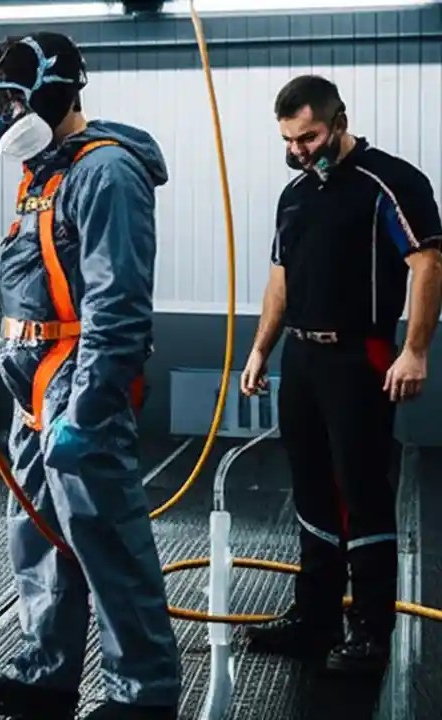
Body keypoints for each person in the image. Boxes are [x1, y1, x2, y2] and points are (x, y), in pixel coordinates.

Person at [0, 32, 181, 720]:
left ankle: (142, 697)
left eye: (11, 100)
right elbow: (30, 273)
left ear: (55, 95)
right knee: (40, 537)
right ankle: (47, 677)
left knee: (106, 540)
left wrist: (87, 412)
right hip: (32, 391)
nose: (0, 117)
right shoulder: (46, 174)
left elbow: (117, 305)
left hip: (76, 384)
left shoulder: (106, 174)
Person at [240, 74, 442, 674]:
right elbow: (281, 279)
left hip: (363, 356)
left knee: (361, 490)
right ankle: (314, 617)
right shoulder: (295, 195)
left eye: (309, 136)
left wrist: (415, 349)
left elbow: (428, 261)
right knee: (309, 487)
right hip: (301, 358)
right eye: (289, 140)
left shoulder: (391, 181)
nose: (299, 149)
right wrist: (259, 350)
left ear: (338, 120)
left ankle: (371, 630)